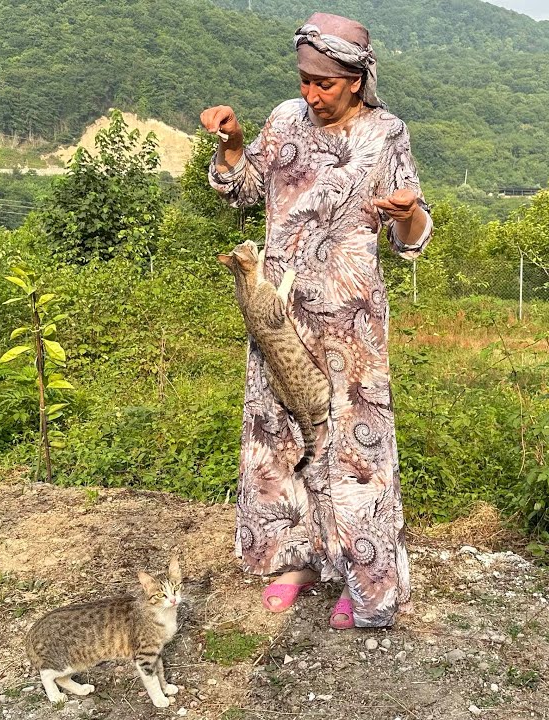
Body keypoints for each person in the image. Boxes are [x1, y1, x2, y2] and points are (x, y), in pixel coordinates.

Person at [201, 12, 432, 629]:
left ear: (357, 79)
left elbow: (413, 233)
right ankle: (294, 560)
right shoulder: (283, 121)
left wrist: (406, 213)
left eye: (324, 83)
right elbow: (244, 190)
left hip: (350, 323)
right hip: (277, 315)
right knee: (277, 437)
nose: (310, 93)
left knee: (355, 449)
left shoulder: (387, 135)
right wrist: (230, 142)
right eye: (304, 79)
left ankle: (367, 583)